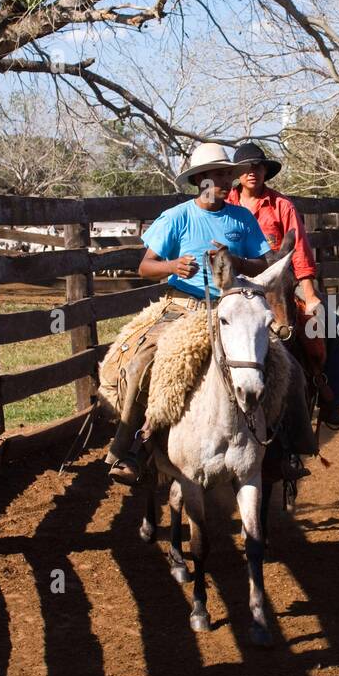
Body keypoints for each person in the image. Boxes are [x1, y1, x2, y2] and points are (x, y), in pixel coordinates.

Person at [106, 141, 286, 486]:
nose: (225, 180)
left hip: (232, 305)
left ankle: (287, 447)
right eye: (218, 174)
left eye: (227, 174)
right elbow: (145, 266)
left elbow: (263, 262)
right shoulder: (177, 217)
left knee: (281, 363)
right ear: (200, 179)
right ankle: (129, 446)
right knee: (142, 361)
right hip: (182, 306)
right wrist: (173, 265)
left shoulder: (241, 217)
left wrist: (236, 261)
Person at [227, 140, 339, 427]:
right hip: (239, 280)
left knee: (326, 324)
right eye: (247, 167)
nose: (253, 172)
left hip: (283, 278)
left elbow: (299, 248)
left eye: (258, 167)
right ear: (238, 173)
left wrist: (309, 294)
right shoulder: (227, 204)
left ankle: (331, 397)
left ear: (265, 171)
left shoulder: (281, 205)